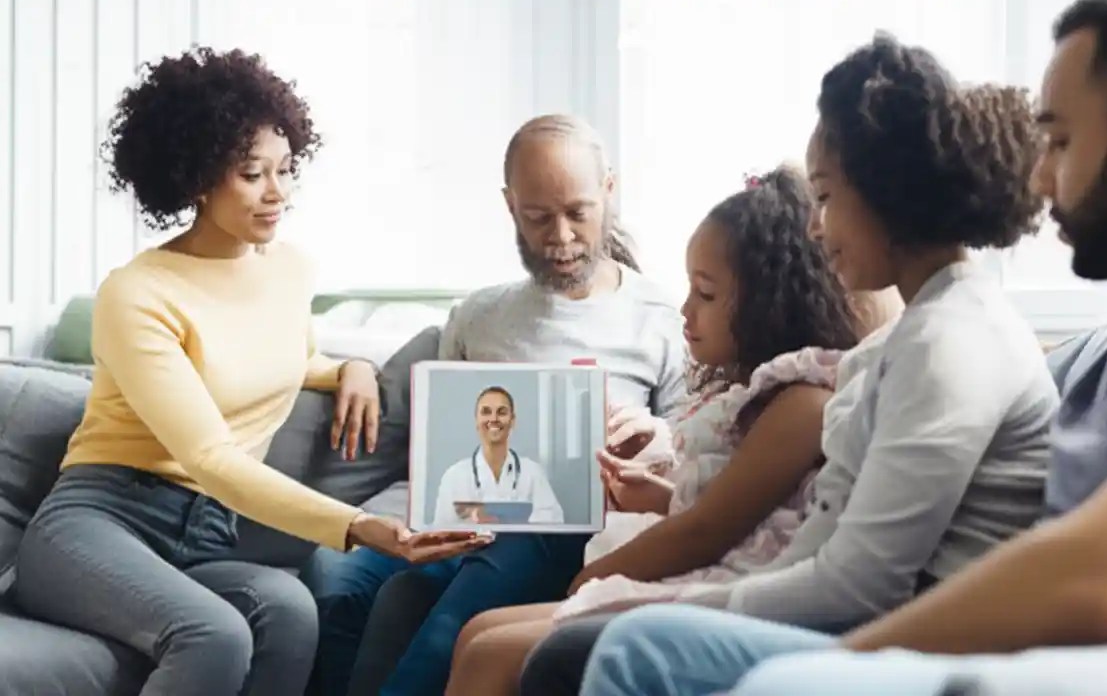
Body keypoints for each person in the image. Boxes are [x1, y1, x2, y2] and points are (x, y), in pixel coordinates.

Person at [579, 0, 1107, 695]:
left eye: (1061, 141)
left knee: (648, 654)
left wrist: (839, 660)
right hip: (1033, 655)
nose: (1037, 176)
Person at [523, 32, 1061, 696]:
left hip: (917, 634)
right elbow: (820, 550)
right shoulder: (911, 335)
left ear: (887, 194)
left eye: (828, 198)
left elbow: (859, 583)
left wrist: (664, 608)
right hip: (859, 609)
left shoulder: (951, 341)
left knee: (611, 647)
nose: (815, 227)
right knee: (579, 639)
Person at [8, 47, 480, 696]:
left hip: (203, 536)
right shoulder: (138, 292)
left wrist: (355, 368)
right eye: (252, 173)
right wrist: (358, 526)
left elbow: (280, 358)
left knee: (288, 610)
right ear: (197, 177)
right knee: (215, 634)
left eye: (286, 170)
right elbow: (208, 455)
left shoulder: (289, 270)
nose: (277, 193)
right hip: (100, 523)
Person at [442, 165, 880, 695]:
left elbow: (706, 533)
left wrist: (590, 581)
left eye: (707, 294)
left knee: (492, 650)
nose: (685, 309)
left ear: (769, 305)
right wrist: (661, 497)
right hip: (711, 570)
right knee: (479, 631)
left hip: (731, 589)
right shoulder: (748, 395)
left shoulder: (804, 402)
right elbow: (736, 508)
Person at [301, 113, 688, 696]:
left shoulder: (662, 318)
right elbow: (441, 437)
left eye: (577, 213)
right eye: (538, 217)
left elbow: (694, 446)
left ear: (609, 192)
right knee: (339, 580)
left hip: (566, 526)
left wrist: (650, 433)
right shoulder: (480, 315)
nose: (560, 236)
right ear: (511, 207)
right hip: (463, 512)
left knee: (454, 607)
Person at [432, 387, 564, 525]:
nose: (494, 419)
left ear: (512, 420)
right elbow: (442, 535)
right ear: (476, 420)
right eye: (486, 412)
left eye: (502, 412)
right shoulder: (454, 477)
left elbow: (553, 526)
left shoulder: (533, 473)